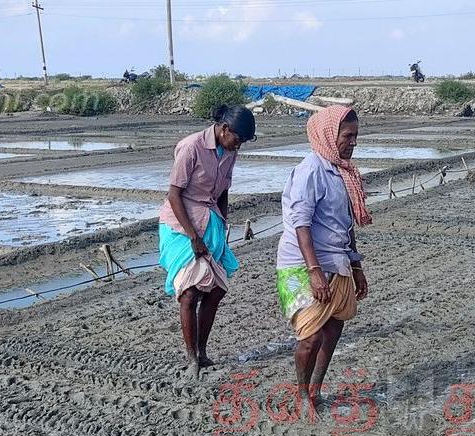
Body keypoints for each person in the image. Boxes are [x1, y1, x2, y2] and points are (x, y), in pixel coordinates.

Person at [276, 106, 369, 413]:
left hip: (338, 261)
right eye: (347, 136)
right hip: (301, 264)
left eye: (355, 136)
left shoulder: (343, 171)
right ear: (330, 135)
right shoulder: (311, 170)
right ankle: (302, 396)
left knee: (333, 330)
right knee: (311, 335)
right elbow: (301, 223)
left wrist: (357, 268)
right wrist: (314, 272)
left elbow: (346, 223)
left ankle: (315, 390)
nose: (353, 142)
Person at [158, 104, 256, 372]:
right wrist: (193, 237)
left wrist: (222, 226)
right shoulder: (191, 147)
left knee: (215, 291)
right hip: (182, 225)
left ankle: (202, 352)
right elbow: (174, 194)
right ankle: (191, 359)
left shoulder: (230, 152)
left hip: (210, 223)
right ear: (225, 129)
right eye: (238, 139)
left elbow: (223, 191)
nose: (240, 146)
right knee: (189, 293)